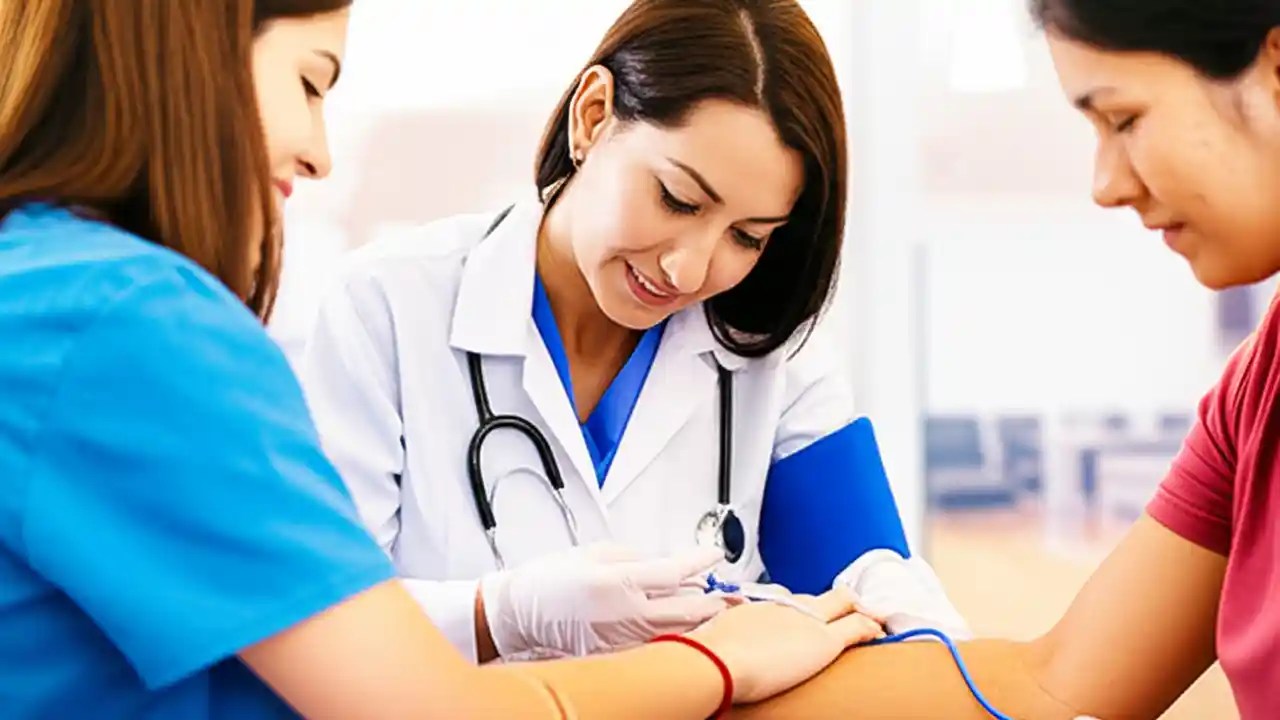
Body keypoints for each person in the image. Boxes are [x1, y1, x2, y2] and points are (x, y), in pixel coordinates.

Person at [0, 2, 886, 719]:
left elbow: (891, 607)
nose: (320, 150)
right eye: (311, 84)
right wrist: (713, 661)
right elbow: (416, 699)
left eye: (748, 236)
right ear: (593, 117)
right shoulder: (140, 323)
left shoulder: (54, 293)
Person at [298, 0, 970, 665]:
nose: (690, 268)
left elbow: (875, 582)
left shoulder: (772, 359)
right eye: (677, 199)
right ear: (592, 116)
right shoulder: (388, 307)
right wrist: (500, 616)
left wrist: (951, 661)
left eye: (746, 236)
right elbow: (319, 625)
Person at [732, 1, 1280, 719]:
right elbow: (1052, 683)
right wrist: (674, 680)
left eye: (1124, 119)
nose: (1107, 183)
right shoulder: (1256, 393)